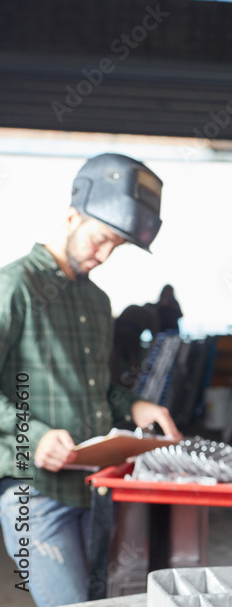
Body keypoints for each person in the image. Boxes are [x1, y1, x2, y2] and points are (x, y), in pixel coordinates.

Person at [0, 153, 182, 607]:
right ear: (70, 217)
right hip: (33, 492)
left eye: (116, 246)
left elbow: (97, 389)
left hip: (95, 488)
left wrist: (135, 405)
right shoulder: (15, 288)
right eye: (101, 239)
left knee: (104, 601)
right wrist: (34, 437)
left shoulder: (98, 302)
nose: (104, 256)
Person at [111, 302, 161, 389]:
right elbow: (155, 336)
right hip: (131, 334)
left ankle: (114, 381)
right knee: (133, 360)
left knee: (115, 357)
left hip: (116, 332)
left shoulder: (133, 307)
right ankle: (132, 384)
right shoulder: (151, 314)